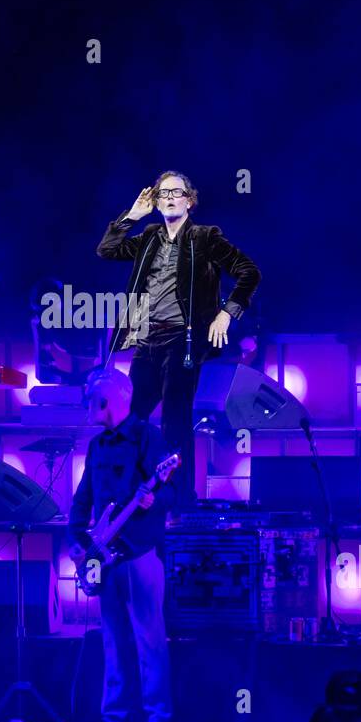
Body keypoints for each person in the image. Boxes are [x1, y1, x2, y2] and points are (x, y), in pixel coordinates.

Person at [97, 171, 260, 503]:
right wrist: (131, 216)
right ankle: (130, 494)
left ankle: (180, 495)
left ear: (190, 200)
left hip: (183, 341)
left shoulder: (205, 237)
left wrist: (226, 314)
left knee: (175, 415)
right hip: (147, 340)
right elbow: (106, 250)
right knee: (132, 418)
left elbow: (249, 272)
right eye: (163, 193)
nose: (170, 197)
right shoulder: (149, 237)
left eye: (177, 192)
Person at [69, 370, 174, 722]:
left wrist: (153, 498)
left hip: (139, 554)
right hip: (103, 554)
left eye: (94, 397)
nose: (89, 404)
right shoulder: (96, 446)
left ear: (113, 398)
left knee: (150, 640)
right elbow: (82, 500)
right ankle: (115, 719)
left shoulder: (148, 436)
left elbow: (172, 493)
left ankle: (158, 721)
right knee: (112, 640)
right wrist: (75, 541)